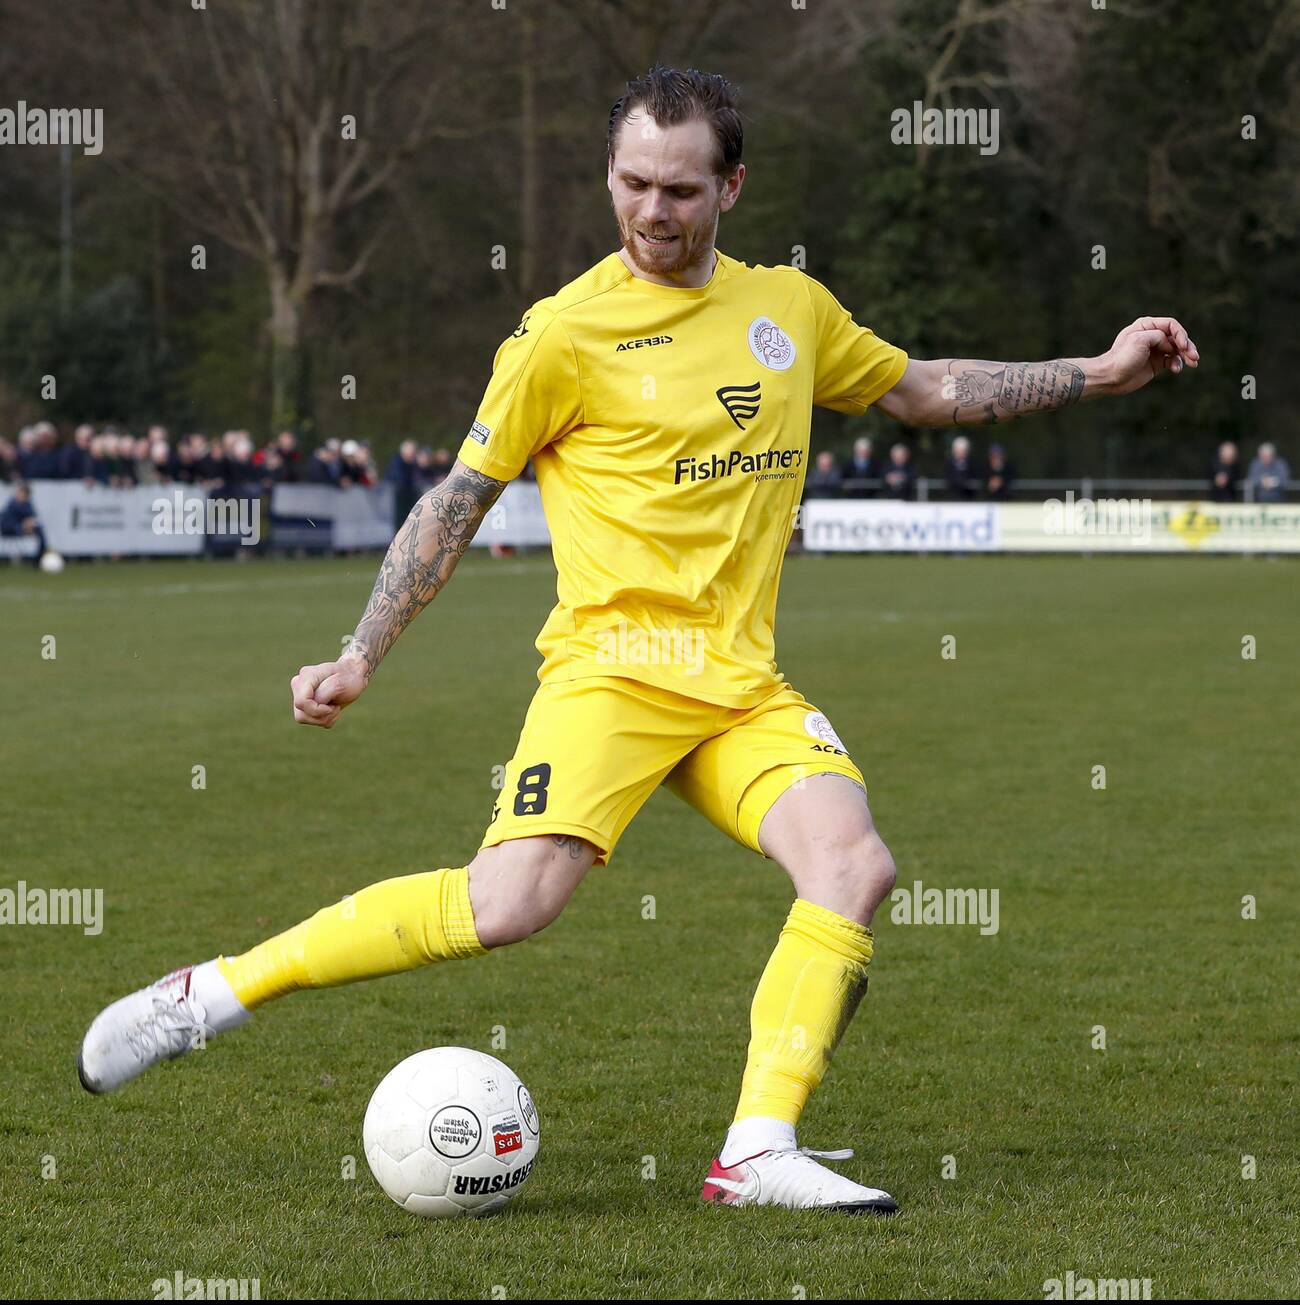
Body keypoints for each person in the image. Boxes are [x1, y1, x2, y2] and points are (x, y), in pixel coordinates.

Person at [79, 64, 1199, 1214]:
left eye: (677, 189)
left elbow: (920, 390)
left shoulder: (789, 312)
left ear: (731, 190)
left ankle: (756, 1149)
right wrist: (363, 650)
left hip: (740, 688)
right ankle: (211, 993)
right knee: (507, 907)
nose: (650, 212)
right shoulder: (561, 334)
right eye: (630, 183)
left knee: (854, 866)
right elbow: (454, 501)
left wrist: (1100, 371)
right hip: (611, 675)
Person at [0, 481, 47, 562]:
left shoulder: (27, 505)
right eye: (21, 492)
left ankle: (40, 558)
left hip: (21, 528)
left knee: (39, 530)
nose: (21, 495)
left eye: (24, 493)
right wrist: (23, 526)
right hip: (9, 529)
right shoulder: (11, 505)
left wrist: (29, 525)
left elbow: (32, 518)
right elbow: (6, 524)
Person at [945, 435, 979, 499]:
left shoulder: (972, 464)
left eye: (963, 450)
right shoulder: (949, 464)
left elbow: (974, 479)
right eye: (959, 450)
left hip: (968, 497)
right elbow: (948, 479)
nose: (961, 453)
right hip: (953, 497)